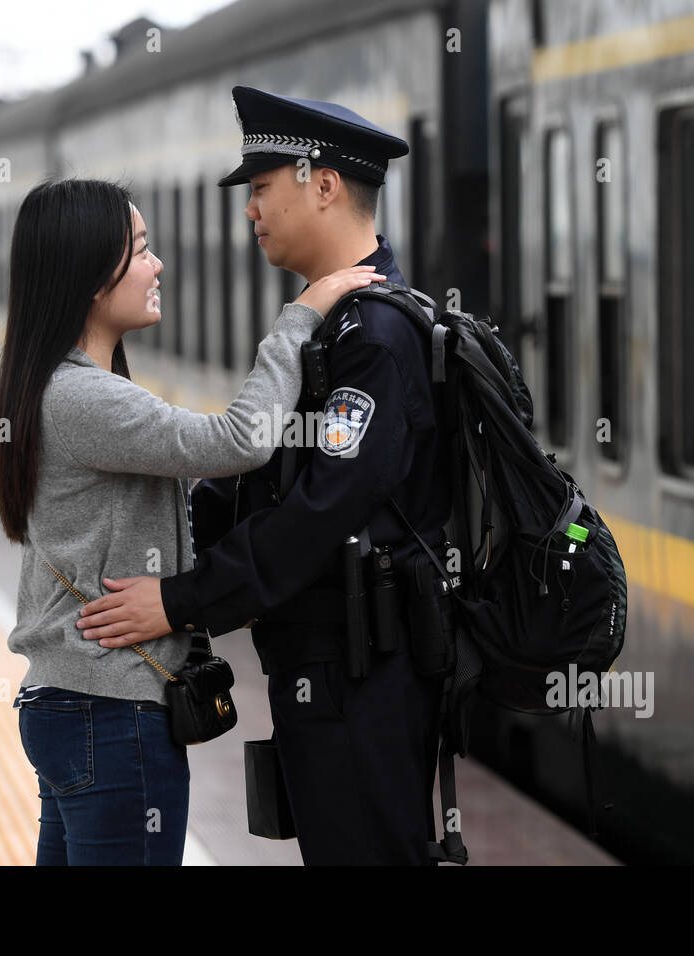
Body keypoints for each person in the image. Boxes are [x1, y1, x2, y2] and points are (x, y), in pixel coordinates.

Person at [75, 88, 453, 865]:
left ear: (323, 185)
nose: (250, 210)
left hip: (364, 676)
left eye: (260, 188)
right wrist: (157, 560)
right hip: (327, 667)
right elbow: (251, 481)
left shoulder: (375, 337)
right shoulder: (332, 328)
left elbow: (321, 510)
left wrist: (181, 600)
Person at [0, 177, 384, 865]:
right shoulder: (86, 398)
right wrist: (302, 316)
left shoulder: (54, 387)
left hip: (68, 704)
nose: (158, 266)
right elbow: (239, 440)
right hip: (110, 710)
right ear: (92, 276)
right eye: (142, 250)